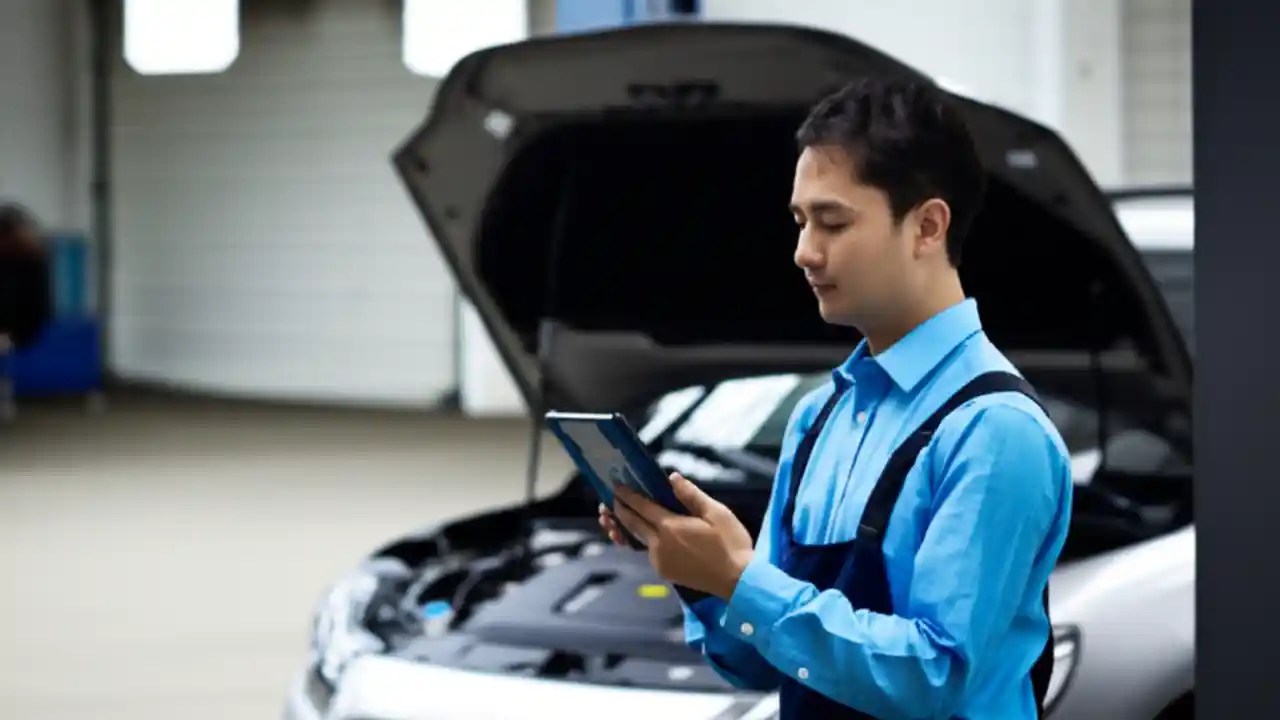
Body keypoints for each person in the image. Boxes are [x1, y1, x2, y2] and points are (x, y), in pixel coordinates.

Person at [598, 76, 1073, 719]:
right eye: (799, 221)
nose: (802, 252)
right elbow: (758, 661)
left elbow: (932, 677)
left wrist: (740, 578)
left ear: (928, 226)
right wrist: (699, 572)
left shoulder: (994, 431)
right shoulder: (817, 420)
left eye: (832, 222)